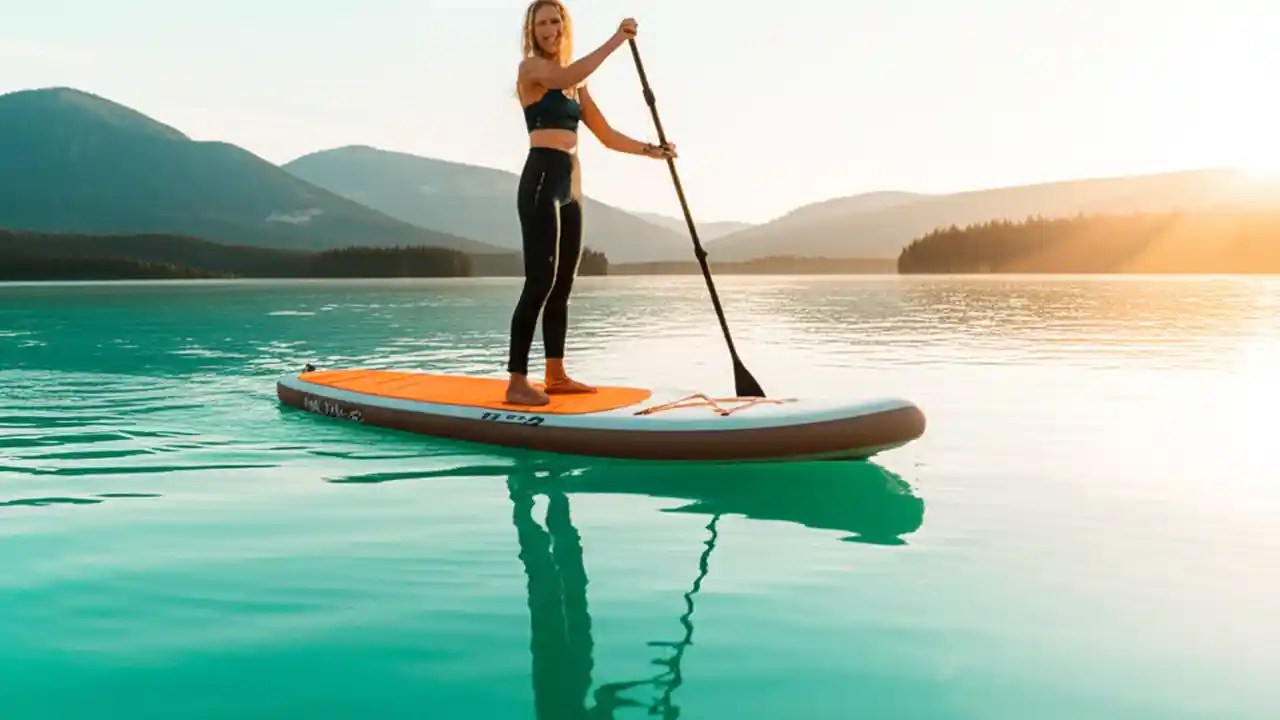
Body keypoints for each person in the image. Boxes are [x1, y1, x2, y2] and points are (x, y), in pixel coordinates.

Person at [505, 0, 677, 406]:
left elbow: (606, 134)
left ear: (564, 27)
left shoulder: (575, 86)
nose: (550, 28)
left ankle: (556, 374)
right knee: (539, 282)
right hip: (541, 181)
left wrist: (652, 150)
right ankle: (516, 381)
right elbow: (568, 71)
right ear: (533, 31)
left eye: (555, 21)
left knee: (563, 285)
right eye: (542, 23)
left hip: (571, 189)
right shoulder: (532, 69)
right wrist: (617, 40)